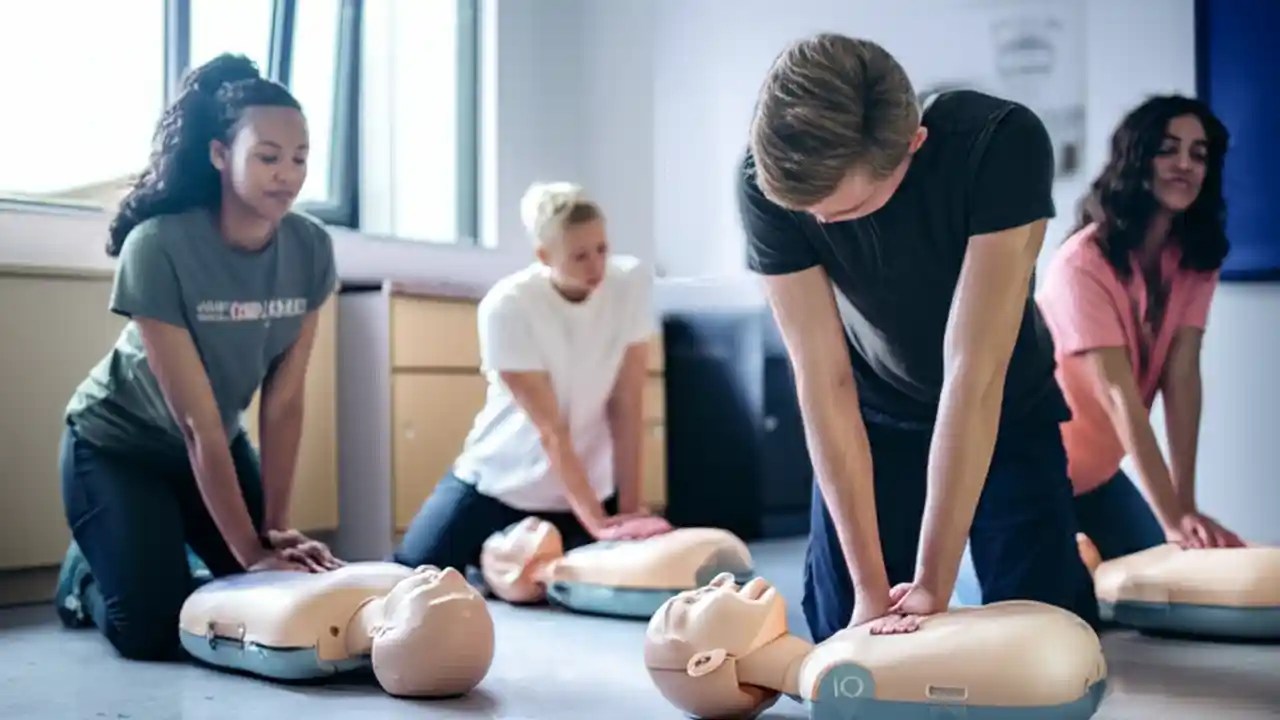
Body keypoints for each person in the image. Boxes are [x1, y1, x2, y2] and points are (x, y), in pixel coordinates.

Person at [737, 33, 1097, 643]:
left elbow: (973, 372)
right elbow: (823, 382)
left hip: (1004, 407)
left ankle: (1077, 559)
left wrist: (932, 579)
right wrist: (871, 594)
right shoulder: (769, 182)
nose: (824, 226)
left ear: (914, 145)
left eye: (846, 211)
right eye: (811, 213)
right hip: (874, 412)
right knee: (840, 627)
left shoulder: (998, 145)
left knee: (1045, 635)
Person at [53, 53, 343, 661]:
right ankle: (85, 574)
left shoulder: (312, 248)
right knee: (153, 629)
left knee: (259, 588)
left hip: (216, 445)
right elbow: (196, 423)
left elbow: (284, 404)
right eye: (268, 156)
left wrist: (274, 530)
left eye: (300, 157)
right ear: (219, 155)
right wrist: (250, 551)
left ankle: (160, 544)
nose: (287, 174)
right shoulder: (156, 246)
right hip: (116, 446)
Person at [393, 181, 673, 575]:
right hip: (500, 482)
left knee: (594, 581)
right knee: (412, 571)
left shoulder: (629, 283)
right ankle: (490, 558)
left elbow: (626, 404)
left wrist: (628, 511)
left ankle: (498, 563)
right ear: (544, 255)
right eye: (579, 256)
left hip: (587, 491)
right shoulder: (507, 307)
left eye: (602, 250)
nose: (596, 267)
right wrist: (596, 523)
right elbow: (551, 430)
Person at [1036, 95, 1244, 558]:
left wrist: (1185, 507)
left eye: (1198, 153)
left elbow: (1182, 376)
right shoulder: (1081, 263)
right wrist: (1173, 522)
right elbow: (1117, 396)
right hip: (1035, 470)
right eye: (1167, 149)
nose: (1184, 164)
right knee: (1066, 597)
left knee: (1158, 571)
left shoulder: (1195, 258)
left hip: (1098, 472)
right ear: (1137, 158)